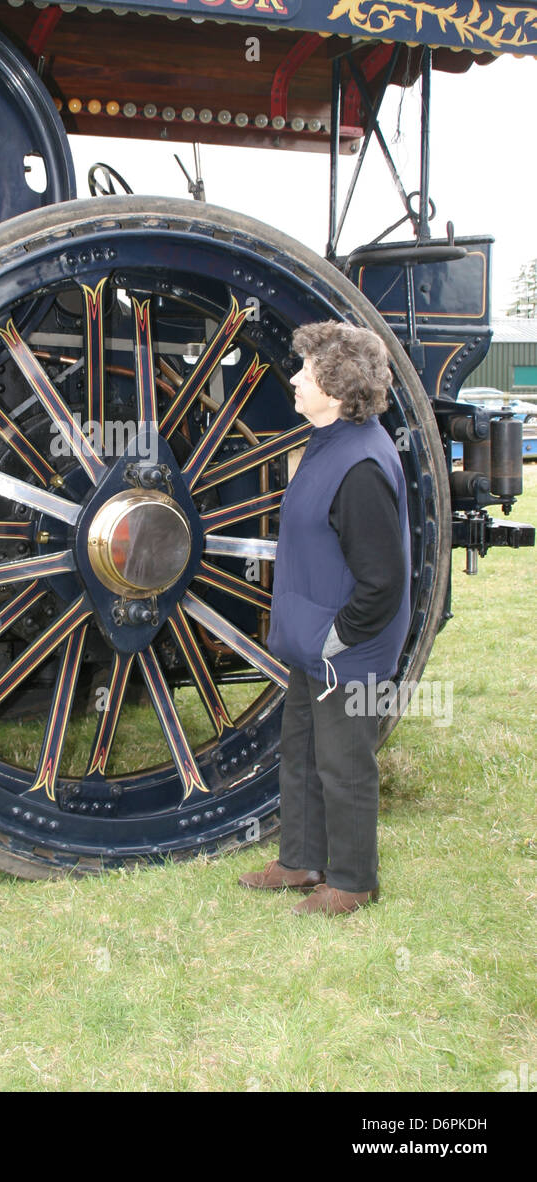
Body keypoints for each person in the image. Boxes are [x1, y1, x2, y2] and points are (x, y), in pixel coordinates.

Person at [239, 321, 410, 916]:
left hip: (344, 649)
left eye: (305, 373)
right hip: (316, 640)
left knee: (343, 764)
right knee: (303, 751)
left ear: (335, 392)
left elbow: (383, 580)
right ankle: (301, 861)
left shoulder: (360, 465)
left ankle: (353, 881)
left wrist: (338, 637)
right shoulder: (330, 441)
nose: (293, 379)